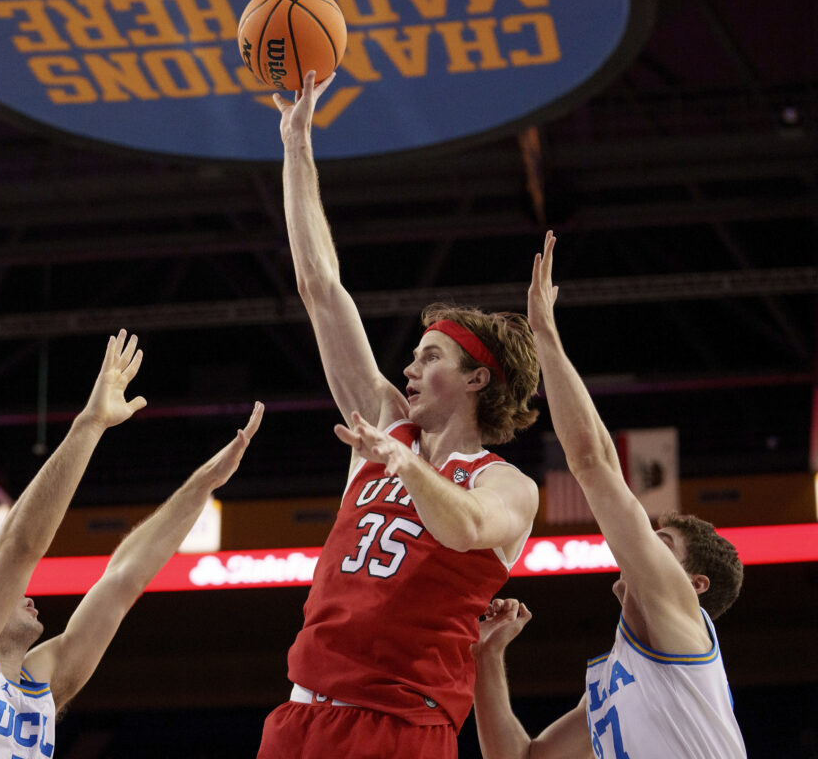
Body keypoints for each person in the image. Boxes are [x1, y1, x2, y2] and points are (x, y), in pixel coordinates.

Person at [257, 71, 543, 759]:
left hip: (400, 726)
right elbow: (320, 288)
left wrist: (404, 461)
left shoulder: (505, 484)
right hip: (300, 715)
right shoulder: (387, 426)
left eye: (431, 356)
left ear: (477, 377)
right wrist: (296, 146)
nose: (410, 368)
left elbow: (468, 525)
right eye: (413, 356)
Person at [0, 330, 263, 758]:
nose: (13, 589)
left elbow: (121, 583)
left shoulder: (37, 681)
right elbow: (19, 548)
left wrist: (204, 485)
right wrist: (90, 423)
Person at [470, 230, 746, 758]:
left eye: (661, 541)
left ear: (693, 584)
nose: (640, 540)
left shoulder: (683, 619)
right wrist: (486, 659)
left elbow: (594, 465)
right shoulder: (622, 677)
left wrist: (544, 334)